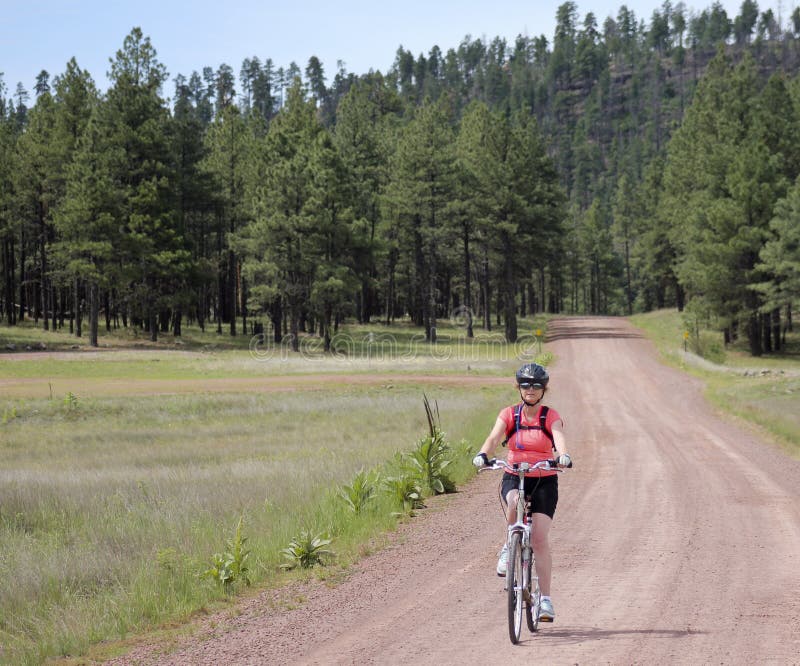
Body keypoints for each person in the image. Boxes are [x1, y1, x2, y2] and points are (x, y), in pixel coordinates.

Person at [472, 362, 571, 623]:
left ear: (543, 389)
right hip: (514, 474)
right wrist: (484, 454)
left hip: (545, 480)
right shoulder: (509, 414)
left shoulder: (550, 416)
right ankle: (509, 546)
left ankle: (545, 600)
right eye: (525, 385)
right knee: (514, 499)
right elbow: (494, 439)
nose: (530, 389)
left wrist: (562, 456)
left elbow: (559, 438)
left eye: (536, 385)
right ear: (518, 387)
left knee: (539, 539)